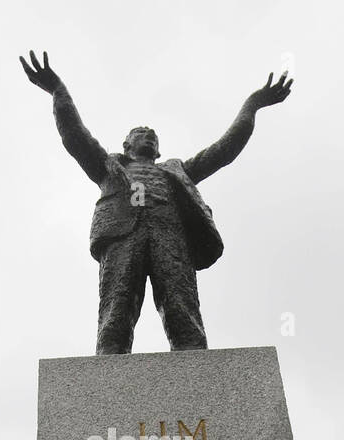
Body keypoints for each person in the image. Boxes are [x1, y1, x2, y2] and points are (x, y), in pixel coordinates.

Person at [20, 50, 292, 354]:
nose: (148, 135)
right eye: (141, 133)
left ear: (159, 151)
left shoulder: (177, 170)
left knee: (181, 304)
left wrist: (253, 104)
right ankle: (109, 362)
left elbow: (223, 150)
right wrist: (57, 90)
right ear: (126, 144)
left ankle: (193, 361)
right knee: (117, 306)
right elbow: (75, 135)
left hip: (170, 235)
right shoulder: (109, 166)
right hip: (123, 235)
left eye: (153, 135)